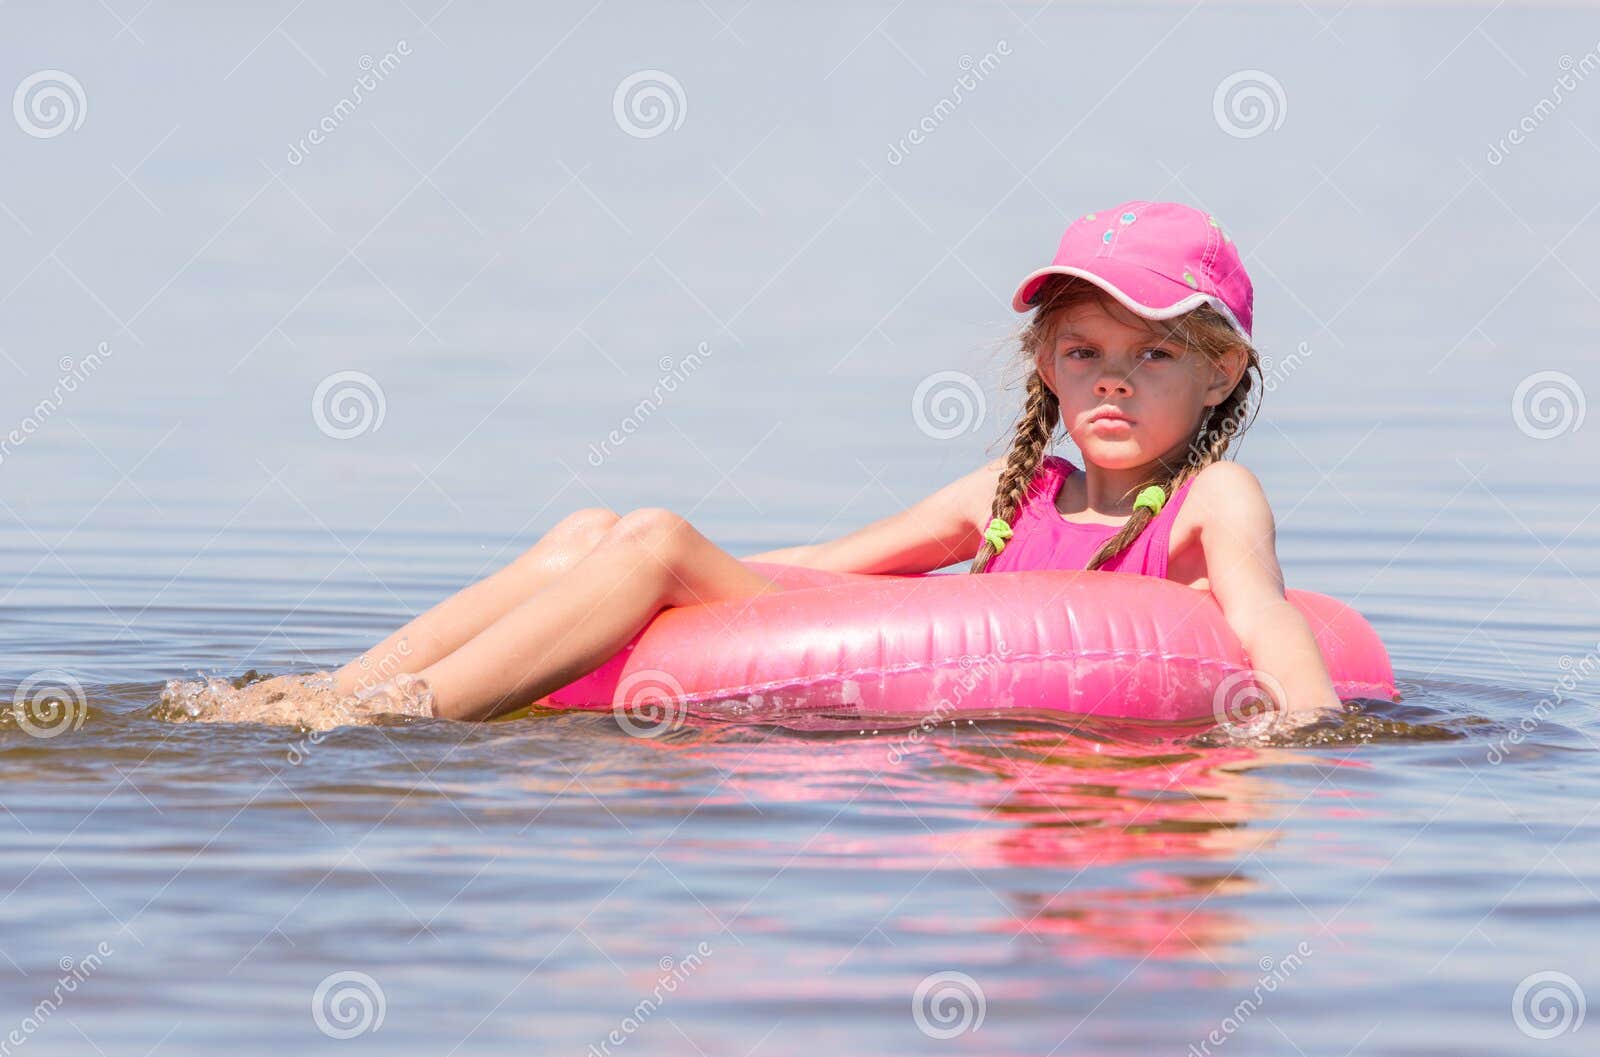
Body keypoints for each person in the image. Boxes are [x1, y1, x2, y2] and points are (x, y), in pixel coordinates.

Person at [189, 199, 1341, 727]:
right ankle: (339, 692)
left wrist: (1309, 722)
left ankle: (398, 719)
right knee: (602, 528)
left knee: (656, 538)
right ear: (1042, 362)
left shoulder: (1208, 496)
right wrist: (656, 573)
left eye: (1152, 353)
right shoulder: (1001, 495)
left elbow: (1265, 613)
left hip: (1058, 690)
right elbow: (825, 567)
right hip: (913, 663)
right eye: (1082, 350)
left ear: (1223, 370)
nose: (1111, 379)